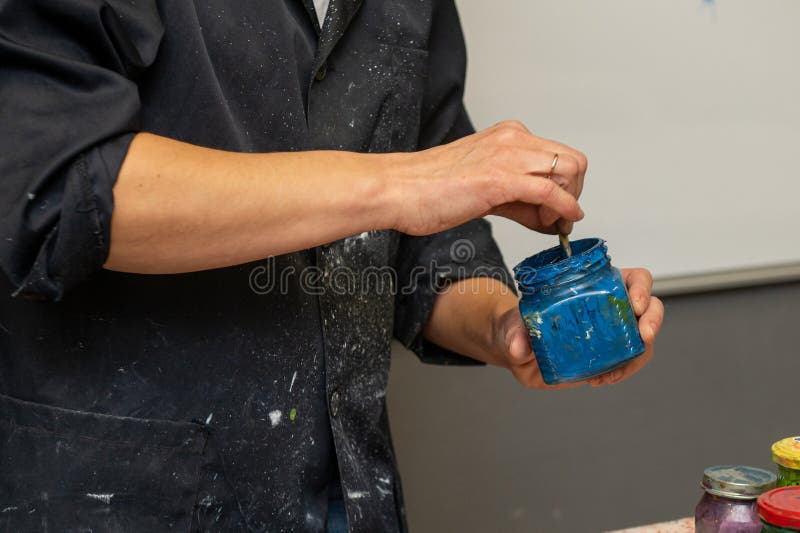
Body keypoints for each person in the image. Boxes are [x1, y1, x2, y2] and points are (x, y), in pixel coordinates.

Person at [0, 0, 664, 531]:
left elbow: (427, 229)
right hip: (125, 495)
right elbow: (53, 184)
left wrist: (502, 325)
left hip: (351, 491)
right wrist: (401, 184)